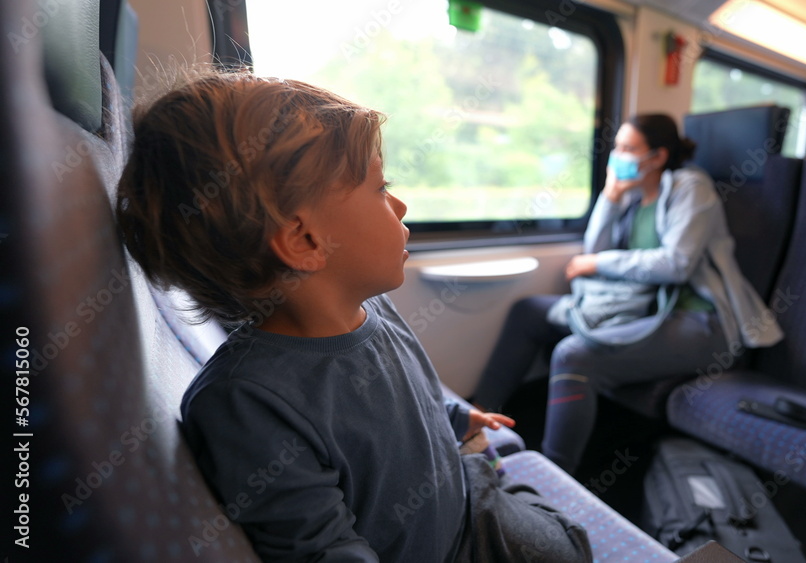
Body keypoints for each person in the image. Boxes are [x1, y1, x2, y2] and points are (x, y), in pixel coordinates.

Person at [115, 70, 592, 562]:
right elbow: (326, 549)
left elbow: (410, 404)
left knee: (562, 537)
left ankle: (484, 472)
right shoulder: (246, 403)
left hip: (463, 503)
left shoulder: (371, 310)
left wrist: (453, 415)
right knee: (572, 547)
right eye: (381, 188)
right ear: (304, 242)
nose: (401, 205)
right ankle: (490, 474)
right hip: (456, 548)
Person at [472, 114, 783, 474]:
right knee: (528, 311)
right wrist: (610, 197)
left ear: (657, 157)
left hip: (701, 321)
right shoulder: (633, 197)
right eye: (617, 146)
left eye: (628, 148)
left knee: (574, 355)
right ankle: (476, 424)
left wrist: (600, 263)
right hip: (643, 310)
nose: (617, 156)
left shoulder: (690, 187)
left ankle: (553, 479)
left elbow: (676, 263)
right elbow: (595, 249)